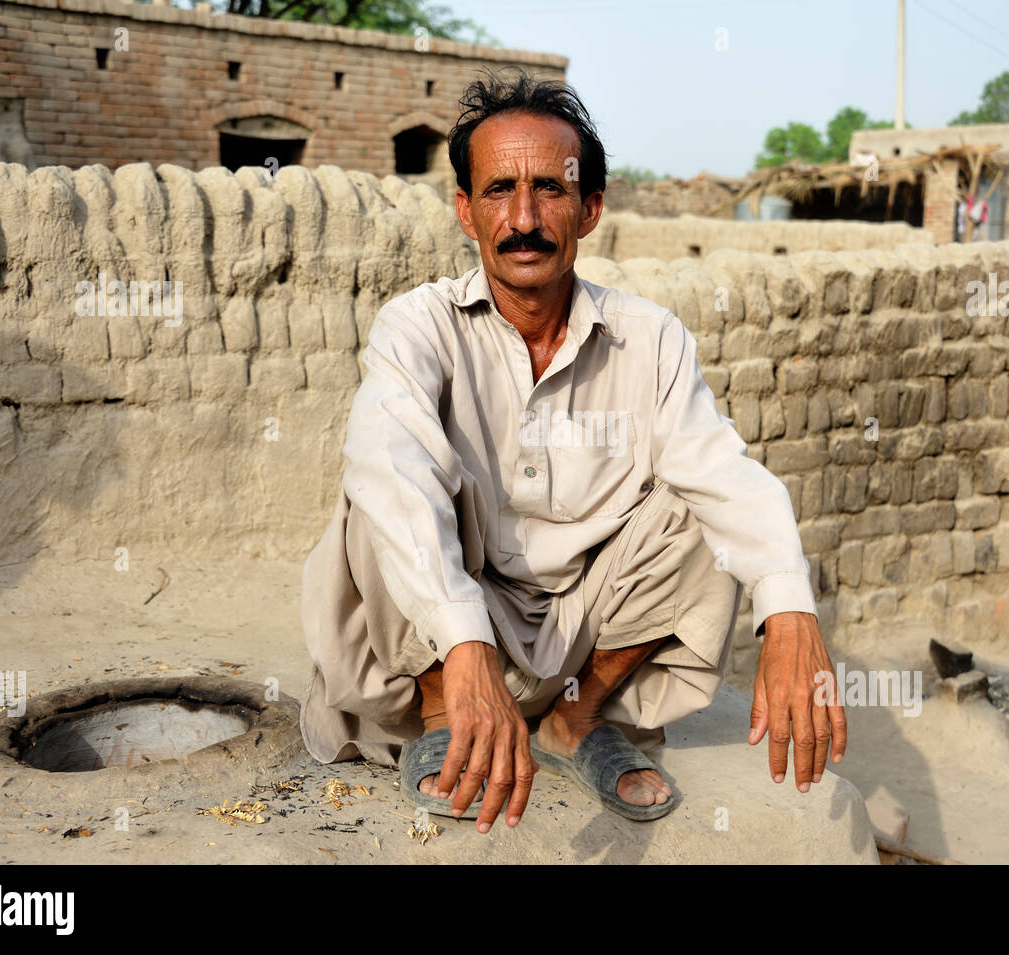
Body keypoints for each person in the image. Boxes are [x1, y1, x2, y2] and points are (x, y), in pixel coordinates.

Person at [299, 67, 845, 834]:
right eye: (498, 191)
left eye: (550, 190)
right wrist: (462, 641)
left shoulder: (649, 338)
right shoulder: (417, 326)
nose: (524, 218)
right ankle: (439, 715)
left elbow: (721, 472)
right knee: (381, 487)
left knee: (700, 507)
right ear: (465, 210)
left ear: (588, 210)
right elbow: (391, 463)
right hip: (449, 626)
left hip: (583, 630)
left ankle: (574, 720)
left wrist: (789, 606)